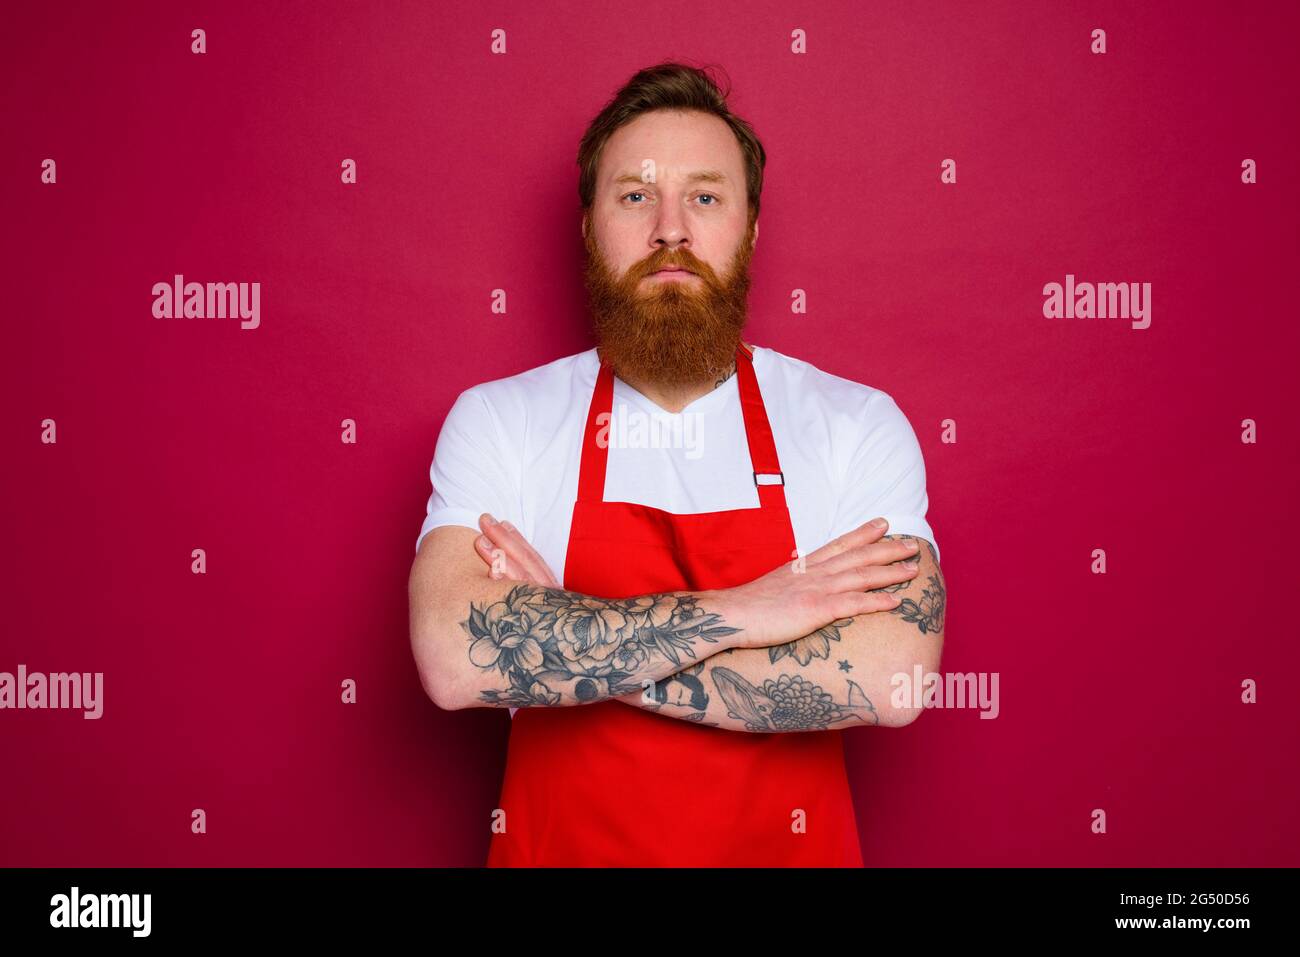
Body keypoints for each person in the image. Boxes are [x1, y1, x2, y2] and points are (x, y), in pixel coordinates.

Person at [408, 62, 946, 867]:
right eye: (634, 196)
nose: (671, 229)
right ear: (590, 227)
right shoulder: (502, 419)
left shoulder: (853, 424)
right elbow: (454, 659)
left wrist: (567, 634)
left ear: (751, 227)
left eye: (704, 195)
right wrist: (752, 610)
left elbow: (893, 679)